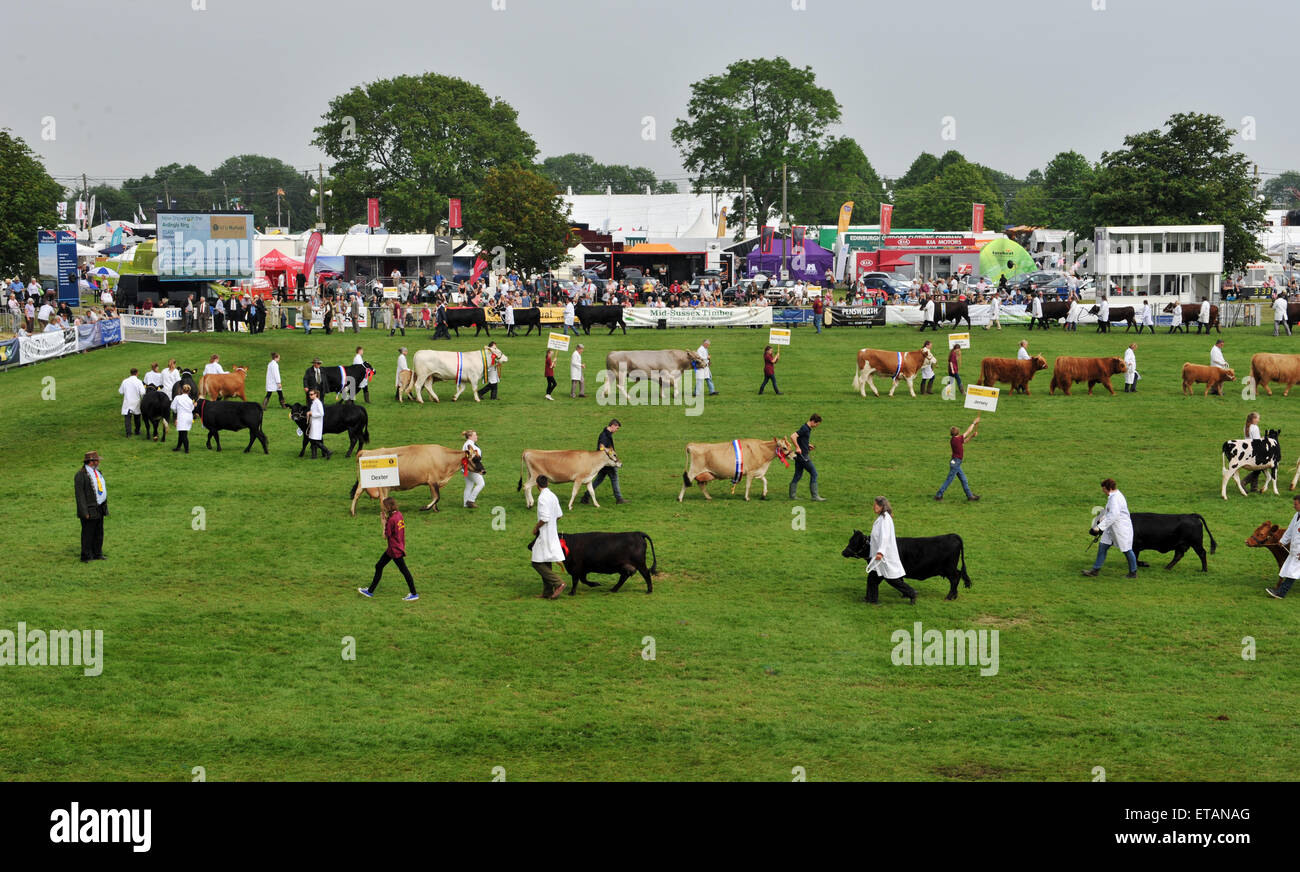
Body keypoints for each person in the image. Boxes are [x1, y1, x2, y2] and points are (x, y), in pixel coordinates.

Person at [358, 497, 418, 601]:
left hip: (394, 550)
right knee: (379, 566)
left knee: (404, 571)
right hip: (397, 547)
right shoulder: (399, 515)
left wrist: (383, 523)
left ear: (388, 507)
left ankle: (414, 594)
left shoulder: (392, 520)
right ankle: (370, 591)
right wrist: (386, 519)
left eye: (384, 507)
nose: (383, 508)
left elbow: (385, 536)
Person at [864, 496, 917, 605]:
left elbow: (885, 537)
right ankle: (871, 599)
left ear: (882, 506)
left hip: (884, 557)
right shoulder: (882, 518)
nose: (874, 507)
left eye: (876, 505)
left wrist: (880, 552)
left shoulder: (885, 519)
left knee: (892, 580)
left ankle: (911, 593)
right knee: (873, 578)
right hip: (879, 556)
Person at [1084, 478, 1137, 578]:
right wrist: (1101, 520)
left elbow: (1114, 515)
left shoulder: (1115, 498)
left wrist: (1099, 528)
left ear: (1106, 487)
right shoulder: (1114, 496)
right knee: (1102, 546)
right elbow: (1110, 513)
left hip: (1121, 528)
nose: (1102, 491)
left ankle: (1133, 572)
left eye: (1103, 488)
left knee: (1127, 550)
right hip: (1112, 528)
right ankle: (1095, 570)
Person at [530, 475, 567, 599]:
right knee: (545, 561)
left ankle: (558, 583)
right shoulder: (552, 496)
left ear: (537, 485)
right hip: (552, 533)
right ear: (548, 483)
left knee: (536, 562)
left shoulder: (542, 498)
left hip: (544, 534)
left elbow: (544, 518)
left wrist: (536, 527)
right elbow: (559, 515)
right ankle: (547, 592)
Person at [935, 415, 981, 502]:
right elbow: (968, 431)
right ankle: (938, 495)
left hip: (956, 462)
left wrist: (972, 437)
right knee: (949, 480)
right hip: (956, 462)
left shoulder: (954, 440)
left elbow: (964, 441)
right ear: (958, 432)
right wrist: (974, 423)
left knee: (964, 480)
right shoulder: (957, 439)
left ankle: (970, 496)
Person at [74, 450, 108, 562]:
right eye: (97, 460)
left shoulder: (98, 472)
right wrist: (84, 512)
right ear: (91, 461)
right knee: (88, 533)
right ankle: (86, 555)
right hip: (89, 509)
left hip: (100, 507)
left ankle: (97, 553)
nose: (98, 462)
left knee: (99, 531)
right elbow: (80, 496)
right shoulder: (80, 475)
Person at [1266, 493, 1300, 599]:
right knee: (1290, 571)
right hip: (1294, 551)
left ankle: (1280, 593)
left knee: (1291, 573)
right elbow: (1290, 530)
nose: (1293, 506)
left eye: (1296, 504)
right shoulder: (1296, 515)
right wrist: (1283, 541)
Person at [585, 419, 625, 505]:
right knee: (614, 478)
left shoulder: (607, 434)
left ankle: (586, 497)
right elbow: (601, 448)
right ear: (613, 426)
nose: (616, 430)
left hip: (604, 462)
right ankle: (619, 498)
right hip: (607, 462)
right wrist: (611, 456)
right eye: (617, 428)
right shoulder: (604, 436)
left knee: (599, 479)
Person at [788, 413, 825, 501]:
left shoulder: (807, 428)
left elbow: (800, 439)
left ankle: (792, 496)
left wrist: (807, 445)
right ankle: (815, 496)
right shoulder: (805, 428)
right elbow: (793, 436)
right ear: (813, 421)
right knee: (814, 473)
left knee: (798, 475)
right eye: (816, 424)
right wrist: (797, 447)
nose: (816, 426)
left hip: (800, 456)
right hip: (803, 456)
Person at [462, 430, 486, 508]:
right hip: (472, 468)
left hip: (467, 468)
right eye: (475, 435)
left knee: (469, 485)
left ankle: (465, 504)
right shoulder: (469, 444)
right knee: (481, 483)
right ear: (470, 436)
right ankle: (471, 500)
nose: (476, 436)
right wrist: (479, 468)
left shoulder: (469, 444)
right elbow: (471, 457)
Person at [118, 367, 146, 437]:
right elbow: (143, 392)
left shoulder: (125, 381)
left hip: (127, 402)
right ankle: (137, 431)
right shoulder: (139, 382)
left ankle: (128, 433)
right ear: (137, 373)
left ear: (130, 373)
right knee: (137, 418)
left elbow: (120, 391)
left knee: (127, 419)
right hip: (136, 402)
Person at [307, 389, 331, 459]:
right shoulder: (314, 402)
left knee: (315, 440)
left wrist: (312, 413)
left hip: (317, 424)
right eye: (309, 394)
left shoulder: (318, 402)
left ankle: (327, 451)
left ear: (315, 395)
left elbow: (321, 413)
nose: (310, 396)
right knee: (312, 440)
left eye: (311, 394)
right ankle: (314, 456)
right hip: (314, 423)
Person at [171, 384, 195, 453]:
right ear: (189, 391)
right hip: (189, 417)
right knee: (181, 433)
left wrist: (176, 411)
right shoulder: (190, 400)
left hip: (181, 417)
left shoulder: (177, 398)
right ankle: (178, 447)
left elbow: (172, 407)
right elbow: (192, 408)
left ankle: (186, 449)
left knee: (183, 434)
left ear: (182, 390)